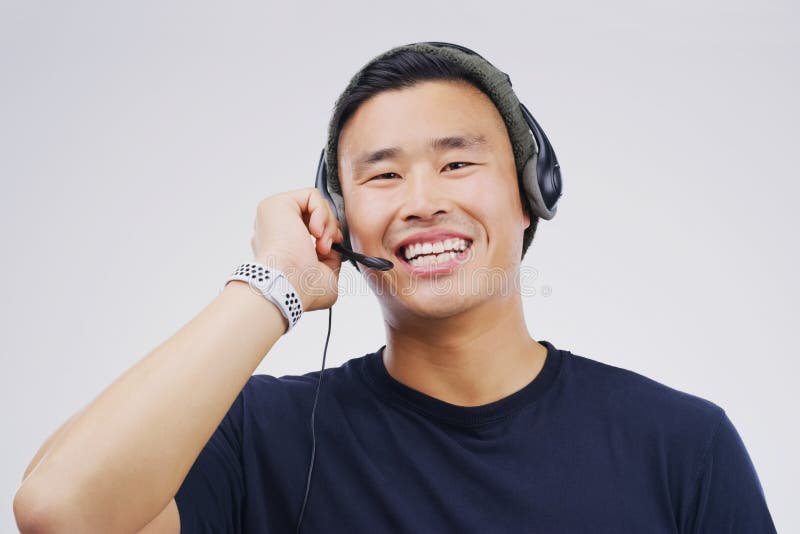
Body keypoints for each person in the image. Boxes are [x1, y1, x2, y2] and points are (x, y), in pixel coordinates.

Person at [13, 42, 776, 534]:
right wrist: (274, 281)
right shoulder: (262, 437)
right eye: (382, 175)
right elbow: (59, 512)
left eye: (456, 163)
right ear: (341, 220)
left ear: (531, 194)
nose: (420, 200)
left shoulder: (680, 444)